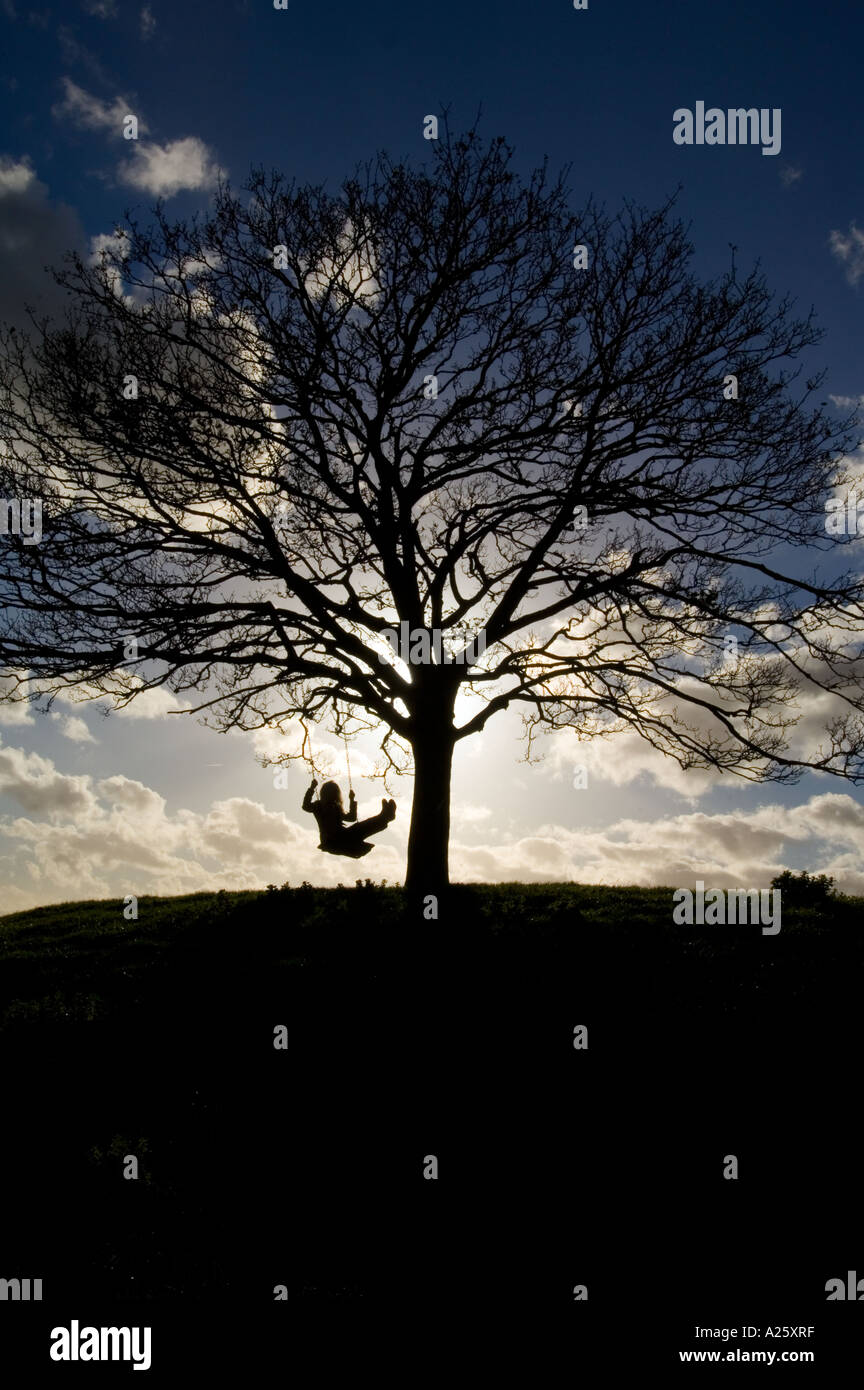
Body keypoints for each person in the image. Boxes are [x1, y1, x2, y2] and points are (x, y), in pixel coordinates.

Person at [302, 779, 396, 858]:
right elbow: (306, 806)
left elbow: (351, 818)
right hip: (334, 841)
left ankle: (385, 816)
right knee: (359, 828)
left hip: (341, 839)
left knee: (360, 828)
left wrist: (351, 800)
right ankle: (385, 817)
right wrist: (311, 788)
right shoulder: (319, 805)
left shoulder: (336, 807)